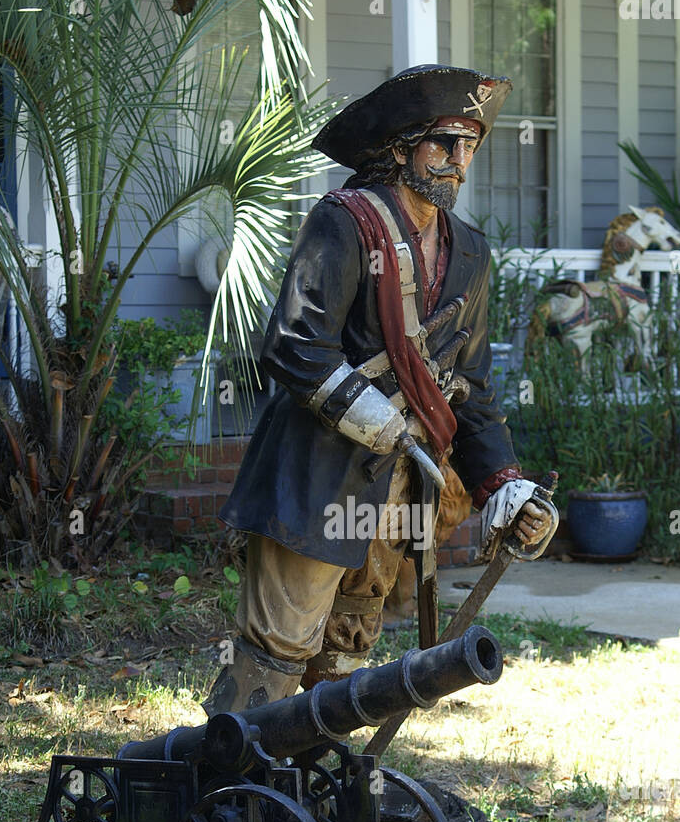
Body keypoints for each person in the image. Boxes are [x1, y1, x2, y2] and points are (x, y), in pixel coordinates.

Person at [204, 64, 553, 716]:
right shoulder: (344, 222)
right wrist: (378, 419)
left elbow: (467, 387)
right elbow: (295, 346)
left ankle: (314, 796)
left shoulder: (471, 253)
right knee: (276, 651)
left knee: (345, 655)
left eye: (469, 145)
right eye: (443, 143)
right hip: (314, 480)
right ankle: (230, 794)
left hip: (396, 489)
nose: (458, 160)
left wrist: (503, 483)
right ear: (400, 148)